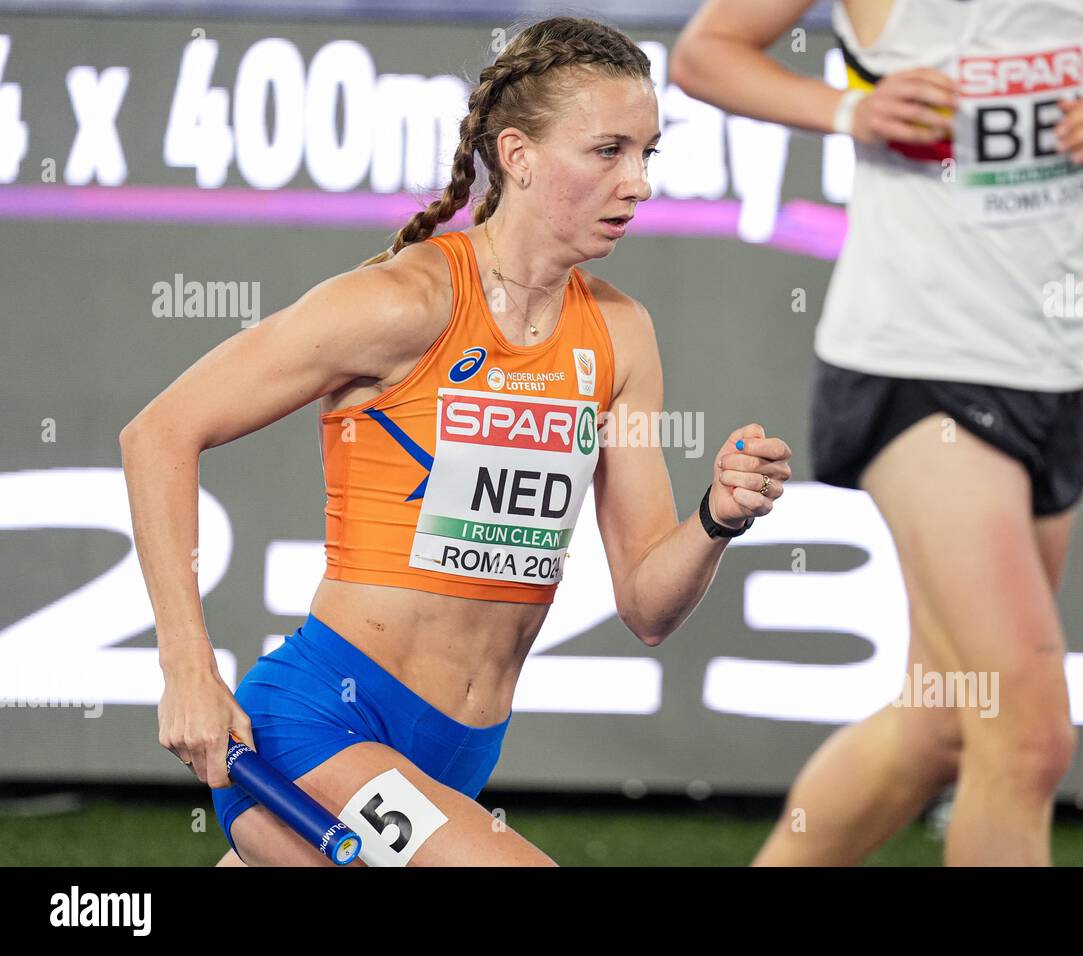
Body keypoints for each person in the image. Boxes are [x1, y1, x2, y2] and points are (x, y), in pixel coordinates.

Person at [120, 15, 792, 867]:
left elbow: (648, 608)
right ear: (517, 155)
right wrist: (187, 667)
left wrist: (717, 517)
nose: (638, 183)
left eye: (648, 154)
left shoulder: (621, 335)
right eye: (608, 151)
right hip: (322, 728)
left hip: (454, 759)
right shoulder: (406, 302)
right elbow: (160, 434)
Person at [670, 0, 1083, 865]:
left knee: (942, 723)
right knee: (1028, 734)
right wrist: (849, 109)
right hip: (914, 358)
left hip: (1051, 362)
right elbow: (705, 53)